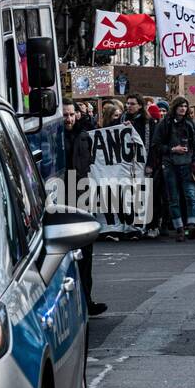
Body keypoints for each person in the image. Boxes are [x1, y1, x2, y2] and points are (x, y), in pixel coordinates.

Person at [62, 100, 107, 316]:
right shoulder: (55, 137)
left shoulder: (84, 135)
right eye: (65, 115)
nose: (69, 119)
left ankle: (86, 300)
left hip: (81, 193)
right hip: (61, 195)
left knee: (86, 252)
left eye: (72, 114)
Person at [154, 95, 195, 241]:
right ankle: (179, 228)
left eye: (185, 106)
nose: (183, 108)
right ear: (175, 107)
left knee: (190, 196)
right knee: (173, 198)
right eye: (180, 105)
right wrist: (172, 149)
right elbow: (156, 145)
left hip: (187, 165)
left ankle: (192, 225)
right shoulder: (164, 124)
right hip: (170, 164)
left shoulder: (190, 124)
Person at [123, 93, 160, 239]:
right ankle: (135, 226)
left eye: (132, 104)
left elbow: (152, 144)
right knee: (132, 195)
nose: (129, 106)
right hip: (128, 165)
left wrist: (150, 164)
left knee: (149, 195)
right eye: (127, 103)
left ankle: (152, 225)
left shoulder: (148, 123)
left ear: (139, 106)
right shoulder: (123, 119)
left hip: (144, 163)